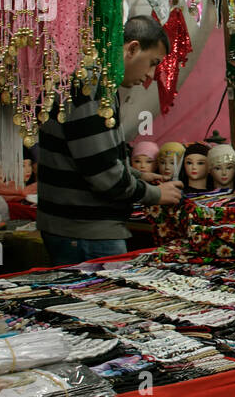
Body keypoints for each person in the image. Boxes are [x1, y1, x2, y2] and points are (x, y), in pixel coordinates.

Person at [37, 16, 183, 266]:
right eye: (152, 63)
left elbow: (92, 158)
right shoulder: (90, 86)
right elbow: (104, 175)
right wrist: (154, 194)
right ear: (132, 48)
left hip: (79, 229)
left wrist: (135, 175)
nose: (149, 75)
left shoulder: (97, 82)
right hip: (84, 231)